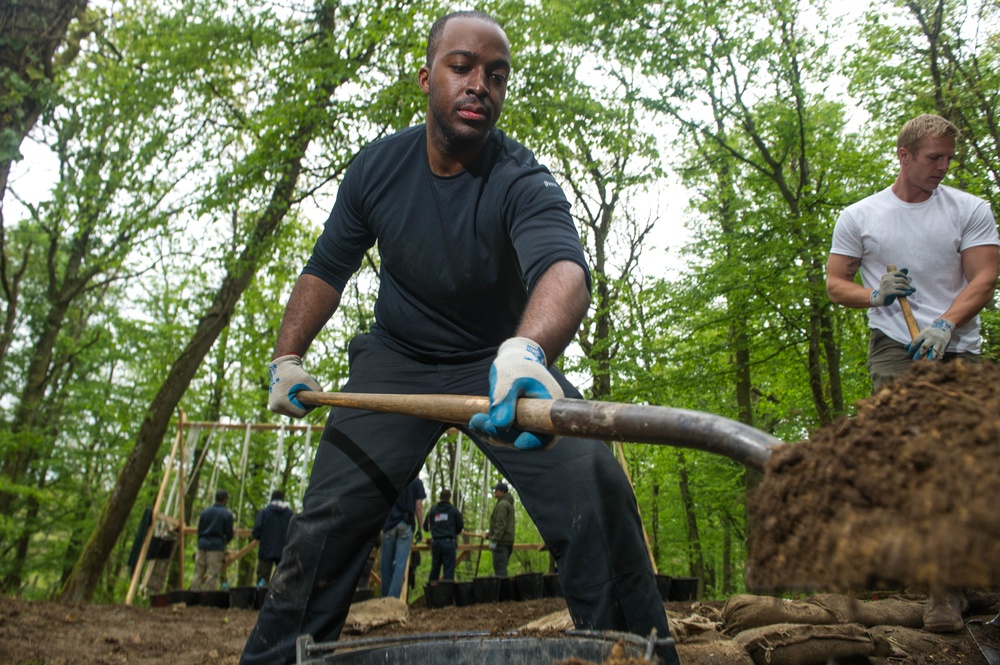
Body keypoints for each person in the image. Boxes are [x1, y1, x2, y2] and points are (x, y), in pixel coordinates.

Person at [243, 11, 679, 665]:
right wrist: (287, 357)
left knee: (593, 479)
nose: (481, 84)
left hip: (500, 366)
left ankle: (638, 651)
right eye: (463, 67)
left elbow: (564, 270)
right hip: (396, 362)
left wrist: (526, 349)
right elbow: (325, 270)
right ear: (426, 77)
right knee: (325, 520)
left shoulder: (521, 178)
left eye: (496, 75)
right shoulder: (377, 169)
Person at [826, 113, 999, 633]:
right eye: (933, 158)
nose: (942, 168)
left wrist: (945, 324)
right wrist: (875, 295)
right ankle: (940, 591)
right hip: (897, 347)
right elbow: (837, 283)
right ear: (903, 156)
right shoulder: (861, 216)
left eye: (948, 158)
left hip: (957, 345)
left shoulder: (969, 209)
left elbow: (985, 276)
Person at [380, 476, 426, 598]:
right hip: (405, 526)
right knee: (400, 564)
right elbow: (419, 506)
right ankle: (393, 598)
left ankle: (384, 598)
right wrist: (420, 528)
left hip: (389, 524)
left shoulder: (393, 478)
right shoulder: (416, 483)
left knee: (386, 564)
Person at [190, 490, 234, 592]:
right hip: (216, 546)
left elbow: (200, 530)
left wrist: (201, 540)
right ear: (225, 500)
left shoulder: (205, 512)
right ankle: (207, 598)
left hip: (202, 545)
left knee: (198, 572)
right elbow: (229, 533)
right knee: (212, 573)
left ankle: (193, 595)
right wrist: (225, 542)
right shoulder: (227, 514)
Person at [252, 490, 294, 587]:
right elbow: (295, 531)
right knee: (283, 580)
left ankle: (260, 600)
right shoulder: (289, 514)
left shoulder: (264, 512)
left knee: (262, 579)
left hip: (266, 550)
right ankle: (280, 601)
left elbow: (256, 531)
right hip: (284, 551)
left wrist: (261, 537)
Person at [423, 488, 464, 581]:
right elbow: (460, 526)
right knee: (448, 571)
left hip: (436, 542)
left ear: (440, 497)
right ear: (449, 498)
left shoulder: (433, 510)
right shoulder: (453, 511)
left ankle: (433, 592)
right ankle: (447, 593)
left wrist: (435, 528)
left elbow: (426, 527)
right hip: (449, 542)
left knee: (435, 568)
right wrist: (453, 532)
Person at [487, 481, 515, 577]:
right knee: (502, 568)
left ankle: (503, 591)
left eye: (496, 490)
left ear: (502, 492)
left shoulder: (502, 505)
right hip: (507, 541)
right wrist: (490, 534)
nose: (494, 492)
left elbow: (500, 524)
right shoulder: (508, 504)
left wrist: (494, 540)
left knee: (500, 571)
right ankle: (504, 590)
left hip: (501, 543)